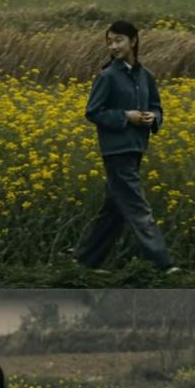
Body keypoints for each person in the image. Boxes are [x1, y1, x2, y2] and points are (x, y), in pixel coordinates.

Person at [76, 21, 178, 274]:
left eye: (118, 40)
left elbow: (157, 107)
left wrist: (153, 118)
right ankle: (161, 263)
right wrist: (126, 116)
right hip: (116, 150)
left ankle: (87, 262)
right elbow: (93, 112)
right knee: (136, 206)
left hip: (136, 147)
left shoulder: (146, 76)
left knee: (115, 210)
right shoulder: (107, 76)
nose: (113, 46)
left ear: (133, 41)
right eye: (109, 41)